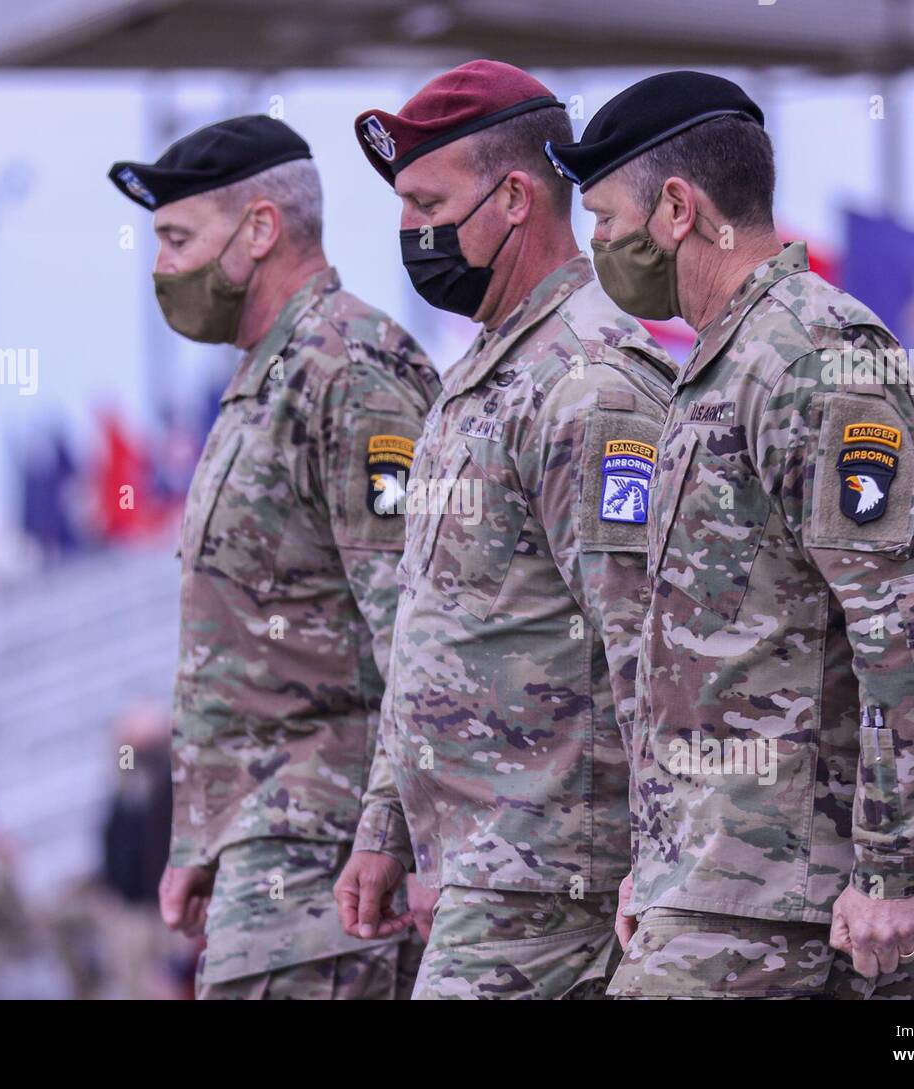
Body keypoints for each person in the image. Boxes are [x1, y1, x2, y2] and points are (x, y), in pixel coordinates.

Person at [546, 70, 914, 999]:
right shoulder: (724, 360)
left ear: (675, 207)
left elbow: (906, 625)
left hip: (797, 910)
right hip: (719, 893)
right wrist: (660, 857)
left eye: (605, 217)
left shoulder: (813, 357)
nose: (598, 246)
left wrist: (895, 868)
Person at [335, 61, 675, 999]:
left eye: (426, 202)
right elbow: (433, 629)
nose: (410, 231)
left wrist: (668, 867)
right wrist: (386, 828)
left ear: (516, 196)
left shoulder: (588, 383)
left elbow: (652, 650)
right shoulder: (488, 369)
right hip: (482, 869)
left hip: (554, 878)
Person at [108, 116, 440, 999]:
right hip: (268, 854)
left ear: (260, 229)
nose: (161, 267)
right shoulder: (270, 374)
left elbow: (418, 622)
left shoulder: (348, 370)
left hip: (330, 860)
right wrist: (197, 840)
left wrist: (390, 836)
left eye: (178, 238)